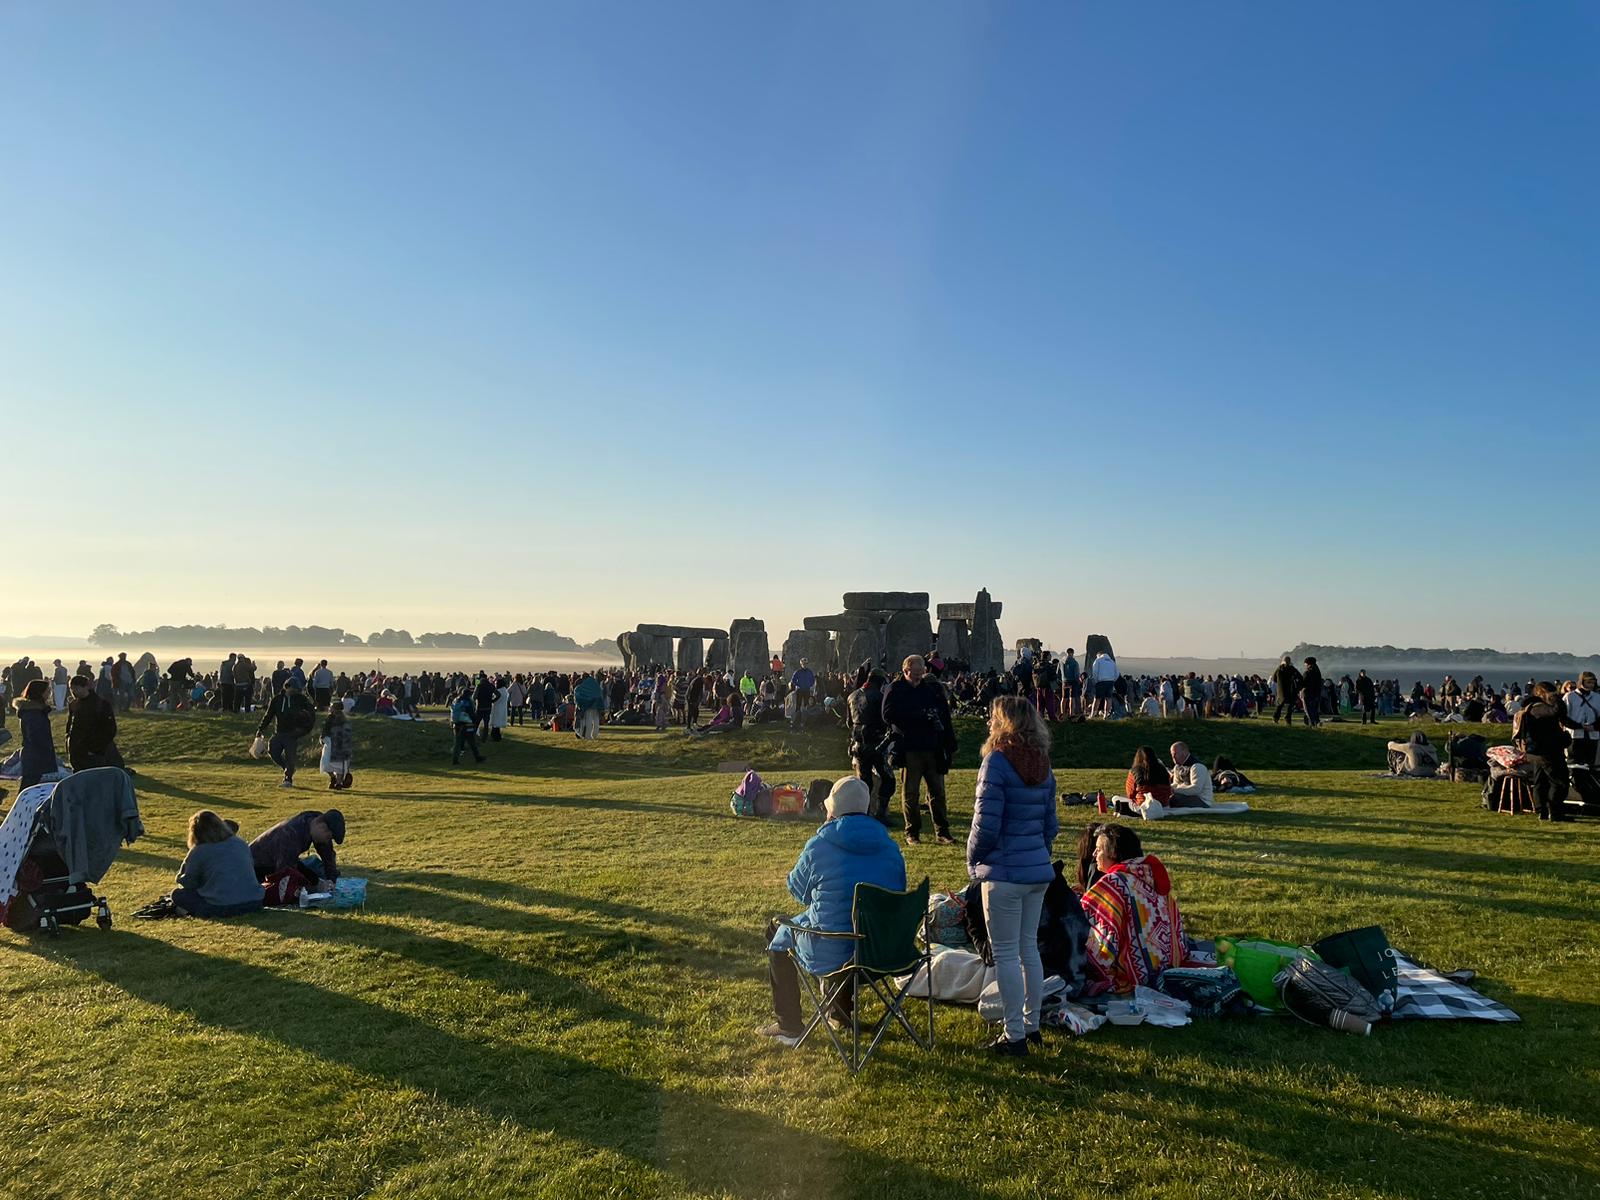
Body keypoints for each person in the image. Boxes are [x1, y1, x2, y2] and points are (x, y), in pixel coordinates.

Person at [760, 777, 906, 1047]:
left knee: (777, 930)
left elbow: (798, 890)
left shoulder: (820, 844)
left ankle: (789, 1026)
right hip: (882, 953)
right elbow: (898, 893)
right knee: (851, 931)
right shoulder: (890, 848)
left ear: (832, 810)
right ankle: (838, 1013)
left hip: (833, 951)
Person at [967, 696, 1058, 1055]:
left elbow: (984, 824)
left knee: (1006, 954)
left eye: (993, 718)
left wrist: (973, 858)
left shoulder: (997, 762)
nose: (989, 723)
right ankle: (1031, 1025)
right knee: (1028, 950)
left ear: (1004, 723)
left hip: (1004, 871)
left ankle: (1014, 1034)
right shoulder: (1043, 763)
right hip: (1036, 869)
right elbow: (1050, 825)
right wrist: (1040, 856)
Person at [1079, 824, 1189, 994]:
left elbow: (1084, 921)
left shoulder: (1115, 884)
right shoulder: (1152, 876)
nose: (1094, 855)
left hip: (1133, 976)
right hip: (1169, 966)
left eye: (1098, 849)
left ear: (1113, 853)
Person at [882, 654, 957, 846]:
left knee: (937, 793)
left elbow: (945, 717)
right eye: (914, 673)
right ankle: (912, 833)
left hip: (933, 746)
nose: (918, 676)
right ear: (905, 671)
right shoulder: (896, 689)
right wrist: (917, 716)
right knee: (911, 793)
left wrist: (950, 742)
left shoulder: (931, 689)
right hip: (910, 748)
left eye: (921, 672)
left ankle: (942, 832)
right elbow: (887, 715)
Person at [172, 811, 265, 917]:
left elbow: (187, 883)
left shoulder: (199, 851)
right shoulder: (240, 843)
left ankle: (192, 910)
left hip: (222, 907)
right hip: (255, 902)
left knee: (178, 895)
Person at [1514, 682, 1576, 822]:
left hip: (1536, 751)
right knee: (1559, 781)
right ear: (1542, 693)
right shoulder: (1538, 708)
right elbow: (1555, 712)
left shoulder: (1531, 708)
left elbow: (1562, 718)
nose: (1554, 696)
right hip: (1547, 751)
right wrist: (1559, 699)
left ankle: (1542, 810)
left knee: (1541, 781)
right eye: (1552, 694)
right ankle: (1555, 813)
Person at [249, 808, 344, 886]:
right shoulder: (290, 834)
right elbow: (284, 871)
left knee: (316, 869)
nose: (327, 841)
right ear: (322, 826)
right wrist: (316, 883)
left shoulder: (314, 821)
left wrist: (332, 880)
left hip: (282, 861)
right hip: (256, 868)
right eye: (328, 837)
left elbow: (328, 856)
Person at [847, 668, 895, 822]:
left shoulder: (851, 696)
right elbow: (886, 720)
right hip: (877, 743)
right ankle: (881, 814)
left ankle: (864, 813)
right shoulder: (880, 697)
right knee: (888, 779)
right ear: (880, 681)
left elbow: (849, 722)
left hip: (858, 744)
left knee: (864, 782)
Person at [255, 678, 317, 788]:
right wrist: (261, 728)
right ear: (287, 687)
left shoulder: (301, 699)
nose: (295, 691)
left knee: (290, 757)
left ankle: (288, 778)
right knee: (272, 750)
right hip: (279, 732)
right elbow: (269, 715)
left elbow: (311, 714)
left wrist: (304, 728)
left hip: (292, 733)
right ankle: (287, 769)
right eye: (293, 688)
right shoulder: (277, 700)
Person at [66, 674, 124, 772]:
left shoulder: (101, 704)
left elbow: (110, 729)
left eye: (76, 688)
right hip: (77, 750)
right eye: (71, 689)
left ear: (86, 687)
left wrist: (95, 749)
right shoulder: (74, 705)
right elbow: (70, 726)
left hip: (94, 752)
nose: (73, 692)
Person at [13, 679, 55, 789]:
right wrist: (46, 747)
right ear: (40, 693)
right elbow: (36, 735)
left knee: (32, 784)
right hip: (36, 755)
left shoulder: (33, 711)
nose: (49, 693)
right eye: (47, 691)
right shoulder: (33, 712)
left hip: (34, 754)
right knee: (30, 786)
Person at [1565, 671, 1600, 769]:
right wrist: (1578, 726)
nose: (1591, 685)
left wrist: (1594, 726)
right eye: (1589, 682)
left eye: (1593, 682)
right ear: (1582, 682)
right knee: (1575, 765)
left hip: (1592, 736)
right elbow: (1564, 717)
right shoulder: (1569, 697)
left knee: (1590, 764)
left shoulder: (1597, 697)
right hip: (1575, 736)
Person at [1167, 741, 1213, 807]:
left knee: (1173, 799)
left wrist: (1174, 790)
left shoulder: (1197, 766)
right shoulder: (1177, 767)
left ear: (1184, 752)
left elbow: (1196, 789)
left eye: (1175, 754)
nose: (1173, 757)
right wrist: (1167, 788)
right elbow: (1176, 784)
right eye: (1172, 754)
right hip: (1185, 796)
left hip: (1201, 800)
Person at [320, 705, 354, 790]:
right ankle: (337, 782)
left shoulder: (332, 718)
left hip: (333, 743)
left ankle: (335, 780)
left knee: (328, 764)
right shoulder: (343, 719)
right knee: (338, 765)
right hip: (338, 744)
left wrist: (323, 738)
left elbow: (326, 729)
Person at [450, 689, 487, 764]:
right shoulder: (467, 701)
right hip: (467, 724)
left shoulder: (456, 700)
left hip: (456, 724)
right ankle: (477, 757)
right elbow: (471, 713)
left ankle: (455, 759)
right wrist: (475, 721)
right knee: (472, 742)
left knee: (457, 743)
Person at [1271, 655, 1303, 724]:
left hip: (1281, 689)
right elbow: (1300, 677)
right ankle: (1288, 719)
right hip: (1290, 689)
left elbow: (1274, 679)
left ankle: (1275, 718)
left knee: (1279, 705)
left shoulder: (1279, 669)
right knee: (1290, 706)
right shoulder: (1292, 669)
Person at [573, 672, 605, 739]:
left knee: (588, 720)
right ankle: (595, 734)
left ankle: (588, 735)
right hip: (597, 704)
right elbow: (599, 693)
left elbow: (578, 692)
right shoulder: (594, 683)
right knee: (596, 720)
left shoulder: (583, 685)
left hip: (588, 705)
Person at [1090, 649, 1119, 719]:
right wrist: (1113, 680)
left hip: (1101, 681)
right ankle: (1106, 715)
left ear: (1099, 655)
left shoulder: (1098, 661)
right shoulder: (1112, 662)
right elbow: (1117, 673)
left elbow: (1095, 672)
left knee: (1097, 699)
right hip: (1110, 682)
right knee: (1108, 699)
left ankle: (1093, 714)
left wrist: (1096, 680)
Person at [790, 660, 816, 731]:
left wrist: (809, 685)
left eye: (806, 663)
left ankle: (805, 720)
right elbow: (793, 680)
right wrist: (798, 685)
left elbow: (813, 680)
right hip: (800, 690)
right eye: (803, 664)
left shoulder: (809, 672)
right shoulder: (798, 672)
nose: (804, 665)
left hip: (807, 690)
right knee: (798, 705)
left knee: (806, 705)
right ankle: (797, 720)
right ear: (801, 664)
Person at [1300, 657, 1324, 727]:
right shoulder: (1317, 672)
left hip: (1307, 693)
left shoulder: (1307, 673)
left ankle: (1312, 723)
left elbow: (1303, 683)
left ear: (1308, 664)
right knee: (1314, 710)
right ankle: (1316, 722)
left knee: (1308, 710)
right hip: (1316, 694)